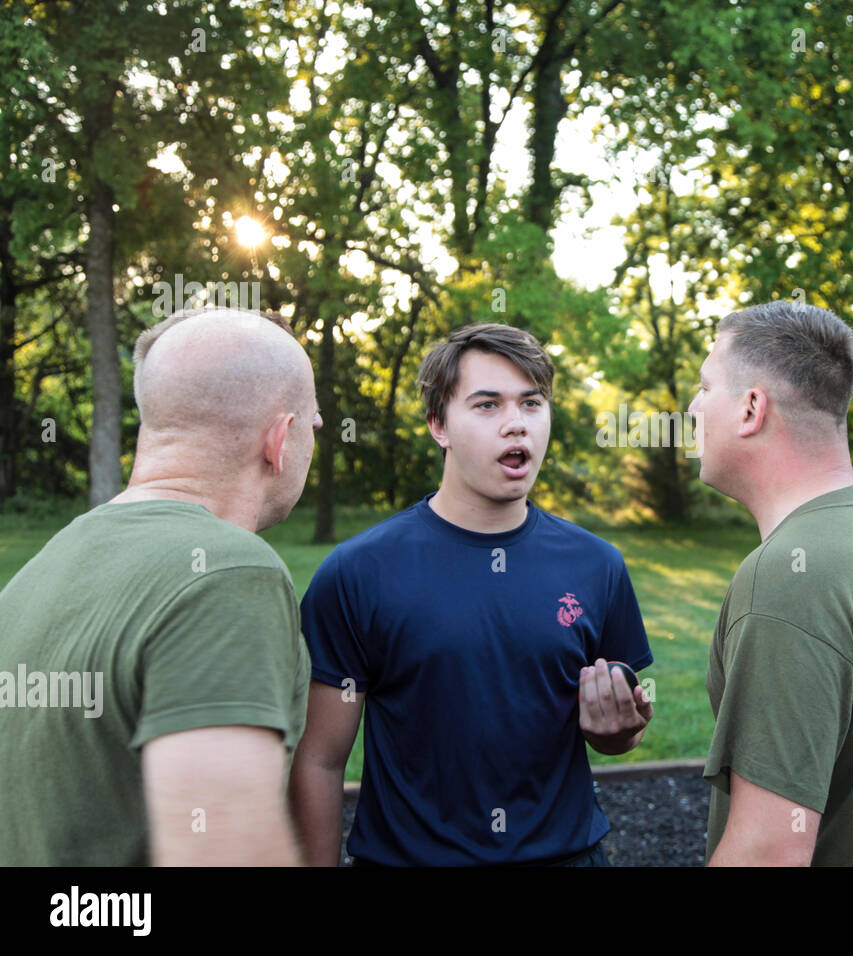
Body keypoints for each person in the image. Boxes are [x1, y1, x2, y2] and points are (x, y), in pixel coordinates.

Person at [290, 322, 653, 866]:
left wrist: (620, 733)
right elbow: (318, 760)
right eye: (487, 406)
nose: (516, 425)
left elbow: (618, 734)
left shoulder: (596, 564)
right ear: (439, 424)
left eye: (532, 403)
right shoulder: (359, 572)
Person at [0, 306, 322, 865]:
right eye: (313, 426)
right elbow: (222, 853)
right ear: (281, 438)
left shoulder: (43, 568)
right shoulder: (228, 575)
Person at [687, 300, 853, 866]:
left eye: (705, 385)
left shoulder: (790, 578)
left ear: (750, 409)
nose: (693, 406)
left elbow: (770, 852)